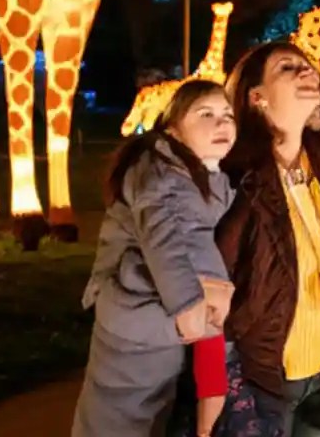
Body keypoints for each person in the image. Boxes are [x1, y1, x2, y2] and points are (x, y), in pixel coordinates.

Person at [214, 41, 320, 436]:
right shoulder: (235, 175)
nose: (308, 70)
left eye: (308, 65)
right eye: (288, 68)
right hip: (265, 378)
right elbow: (215, 275)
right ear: (256, 96)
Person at [73, 80, 237, 437]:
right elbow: (175, 237)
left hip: (140, 313)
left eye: (228, 115)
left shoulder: (196, 170)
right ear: (173, 127)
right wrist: (198, 305)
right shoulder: (165, 173)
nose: (222, 123)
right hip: (139, 313)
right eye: (205, 114)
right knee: (121, 419)